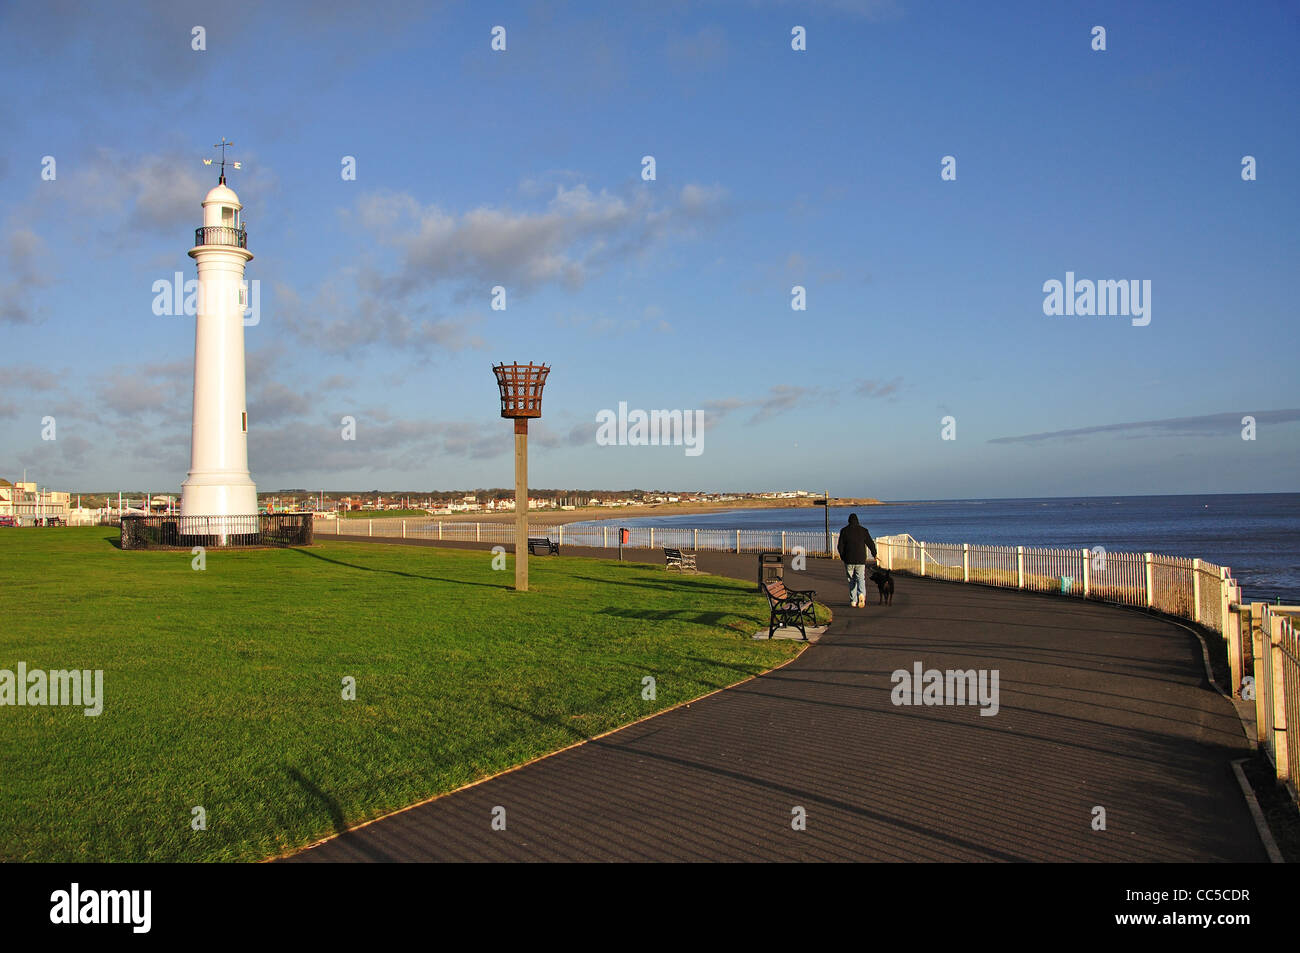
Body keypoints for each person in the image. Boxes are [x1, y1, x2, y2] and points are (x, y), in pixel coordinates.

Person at [836, 513, 877, 608]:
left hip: (848, 559)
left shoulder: (844, 531)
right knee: (860, 578)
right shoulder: (863, 531)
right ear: (857, 520)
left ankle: (853, 601)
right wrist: (874, 554)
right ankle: (861, 594)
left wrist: (843, 557)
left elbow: (840, 546)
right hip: (860, 559)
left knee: (851, 579)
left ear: (849, 521)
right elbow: (870, 543)